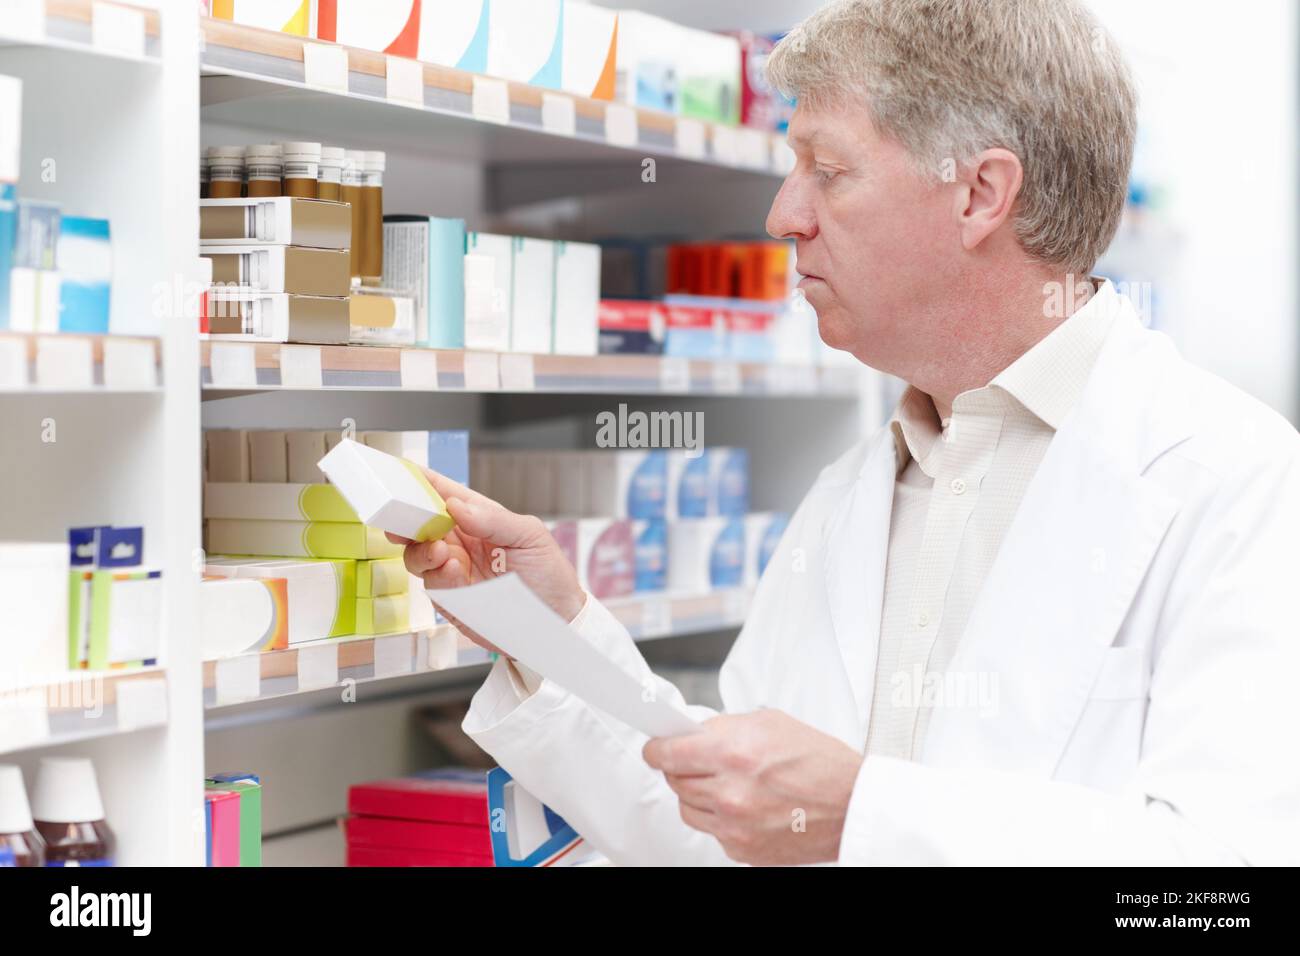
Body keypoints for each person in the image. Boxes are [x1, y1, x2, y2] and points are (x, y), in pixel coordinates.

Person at [397, 0, 1300, 865]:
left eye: (827, 171)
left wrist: (863, 815)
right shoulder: (855, 491)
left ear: (980, 193)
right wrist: (548, 634)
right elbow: (732, 832)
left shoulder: (1233, 483)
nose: (783, 215)